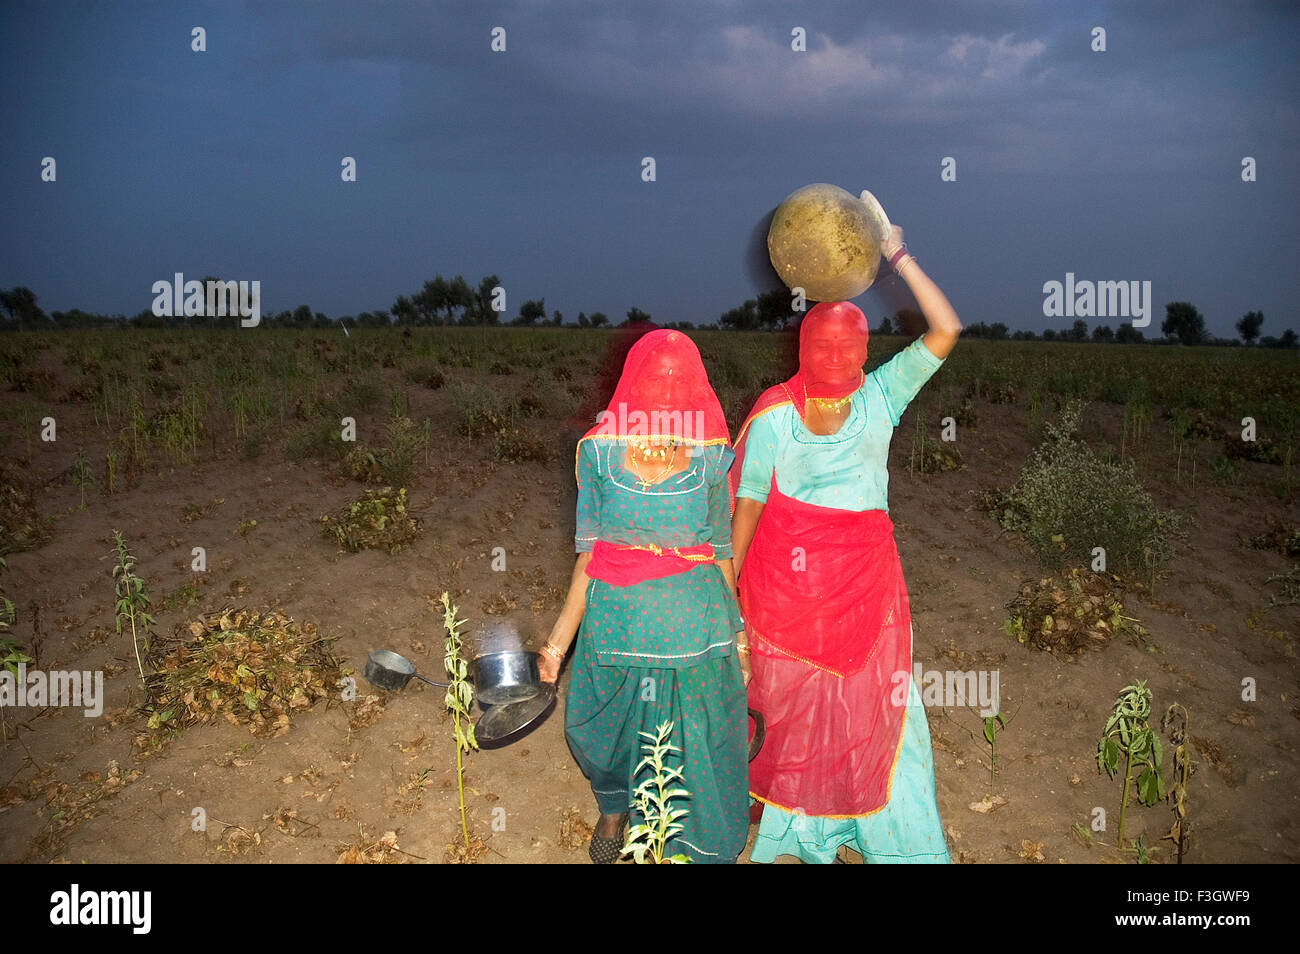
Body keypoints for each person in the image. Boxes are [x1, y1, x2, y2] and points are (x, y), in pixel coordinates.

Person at [730, 225, 960, 864]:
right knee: (797, 715)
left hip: (867, 592)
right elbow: (745, 510)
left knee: (882, 714)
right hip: (786, 597)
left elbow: (945, 330)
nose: (835, 355)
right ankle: (804, 833)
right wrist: (729, 597)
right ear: (804, 346)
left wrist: (899, 257)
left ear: (864, 349)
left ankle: (888, 834)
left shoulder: (881, 396)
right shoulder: (776, 414)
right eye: (822, 343)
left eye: (848, 343)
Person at [539, 328, 750, 864]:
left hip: (693, 631)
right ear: (634, 382)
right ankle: (614, 808)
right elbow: (590, 553)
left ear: (696, 388)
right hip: (618, 623)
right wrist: (557, 645)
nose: (667, 390)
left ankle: (687, 847)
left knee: (693, 747)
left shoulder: (709, 457)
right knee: (604, 730)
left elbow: (720, 551)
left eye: (680, 380)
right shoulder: (598, 454)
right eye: (656, 377)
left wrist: (741, 637)